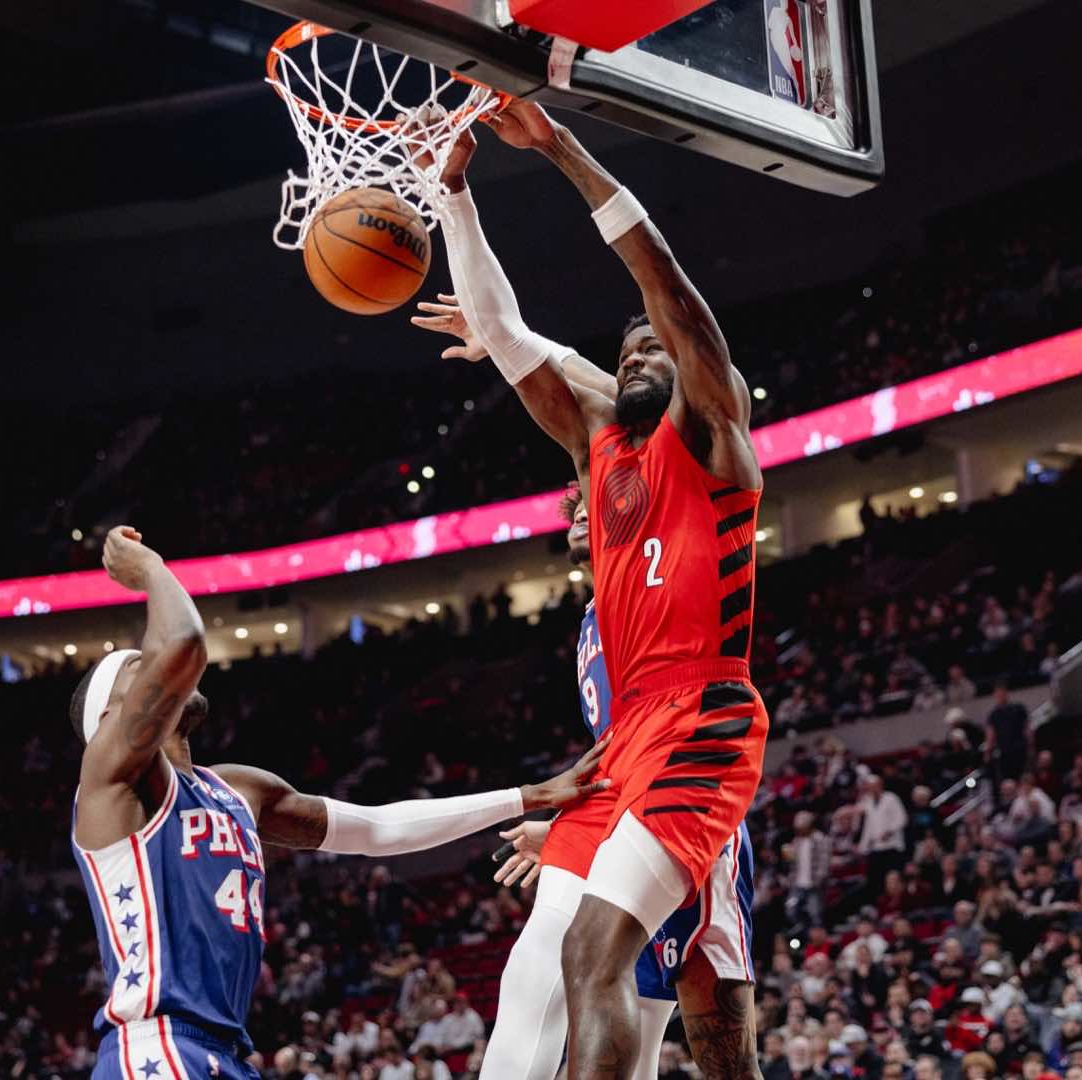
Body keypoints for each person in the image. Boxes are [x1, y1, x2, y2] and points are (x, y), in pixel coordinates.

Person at [430, 99, 771, 1080]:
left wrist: (562, 152)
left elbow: (671, 297)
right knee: (575, 955)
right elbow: (501, 332)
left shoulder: (711, 437)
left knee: (658, 982)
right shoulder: (600, 446)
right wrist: (454, 193)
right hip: (623, 745)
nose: (634, 359)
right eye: (622, 357)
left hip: (702, 713)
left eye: (648, 354)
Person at [67, 527, 608, 1079]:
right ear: (110, 722)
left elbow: (377, 830)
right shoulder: (113, 784)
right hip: (154, 1046)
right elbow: (184, 643)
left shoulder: (237, 790)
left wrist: (528, 795)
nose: (155, 670)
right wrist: (151, 567)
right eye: (139, 670)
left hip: (224, 1055)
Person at [478, 484, 758, 1080]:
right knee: (563, 982)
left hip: (686, 796)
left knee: (723, 1056)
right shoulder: (591, 616)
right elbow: (620, 737)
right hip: (620, 799)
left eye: (595, 505)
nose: (581, 515)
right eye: (574, 510)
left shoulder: (655, 576)